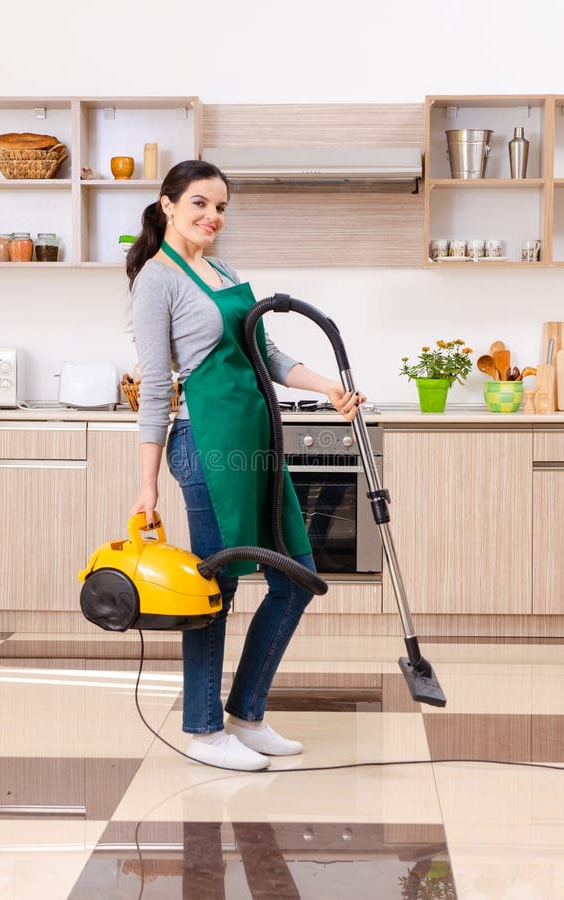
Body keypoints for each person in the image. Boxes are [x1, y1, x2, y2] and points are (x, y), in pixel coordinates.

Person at [127, 159, 365, 771]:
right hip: (203, 442)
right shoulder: (157, 280)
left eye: (222, 207)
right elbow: (157, 385)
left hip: (257, 442)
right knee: (218, 585)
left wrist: (328, 389)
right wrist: (146, 487)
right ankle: (203, 730)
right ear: (167, 205)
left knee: (296, 577)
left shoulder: (225, 270)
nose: (213, 217)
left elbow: (269, 353)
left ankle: (247, 715)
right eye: (200, 204)